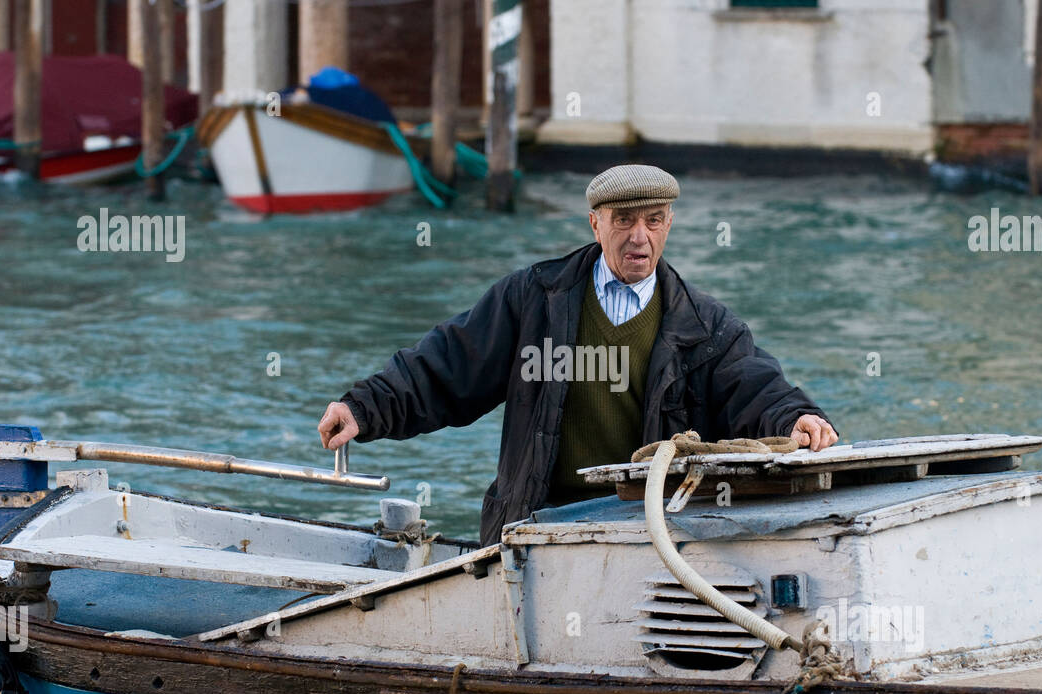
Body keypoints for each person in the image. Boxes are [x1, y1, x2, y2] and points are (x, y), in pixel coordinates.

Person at [318, 164, 838, 545]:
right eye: (624, 221)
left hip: (645, 535)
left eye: (654, 221)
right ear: (595, 224)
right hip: (532, 526)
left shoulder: (706, 327)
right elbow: (449, 366)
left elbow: (754, 385)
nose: (640, 237)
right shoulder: (533, 299)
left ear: (670, 224)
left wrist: (797, 417)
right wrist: (365, 407)